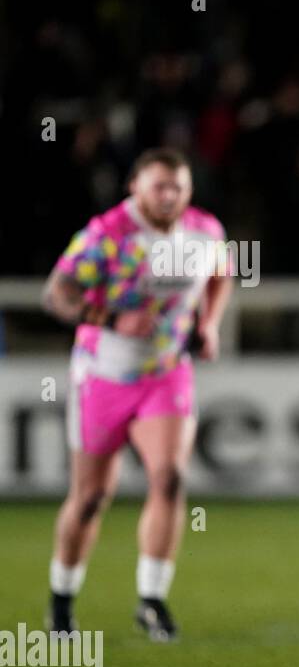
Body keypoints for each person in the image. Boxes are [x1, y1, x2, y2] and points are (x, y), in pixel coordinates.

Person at [42, 148, 232, 641]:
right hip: (103, 373)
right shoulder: (107, 235)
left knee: (169, 478)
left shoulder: (204, 231)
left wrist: (209, 323)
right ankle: (61, 600)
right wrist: (110, 318)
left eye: (178, 187)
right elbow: (56, 295)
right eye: (159, 187)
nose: (169, 196)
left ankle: (152, 599)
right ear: (134, 188)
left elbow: (221, 274)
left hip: (166, 372)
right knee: (90, 497)